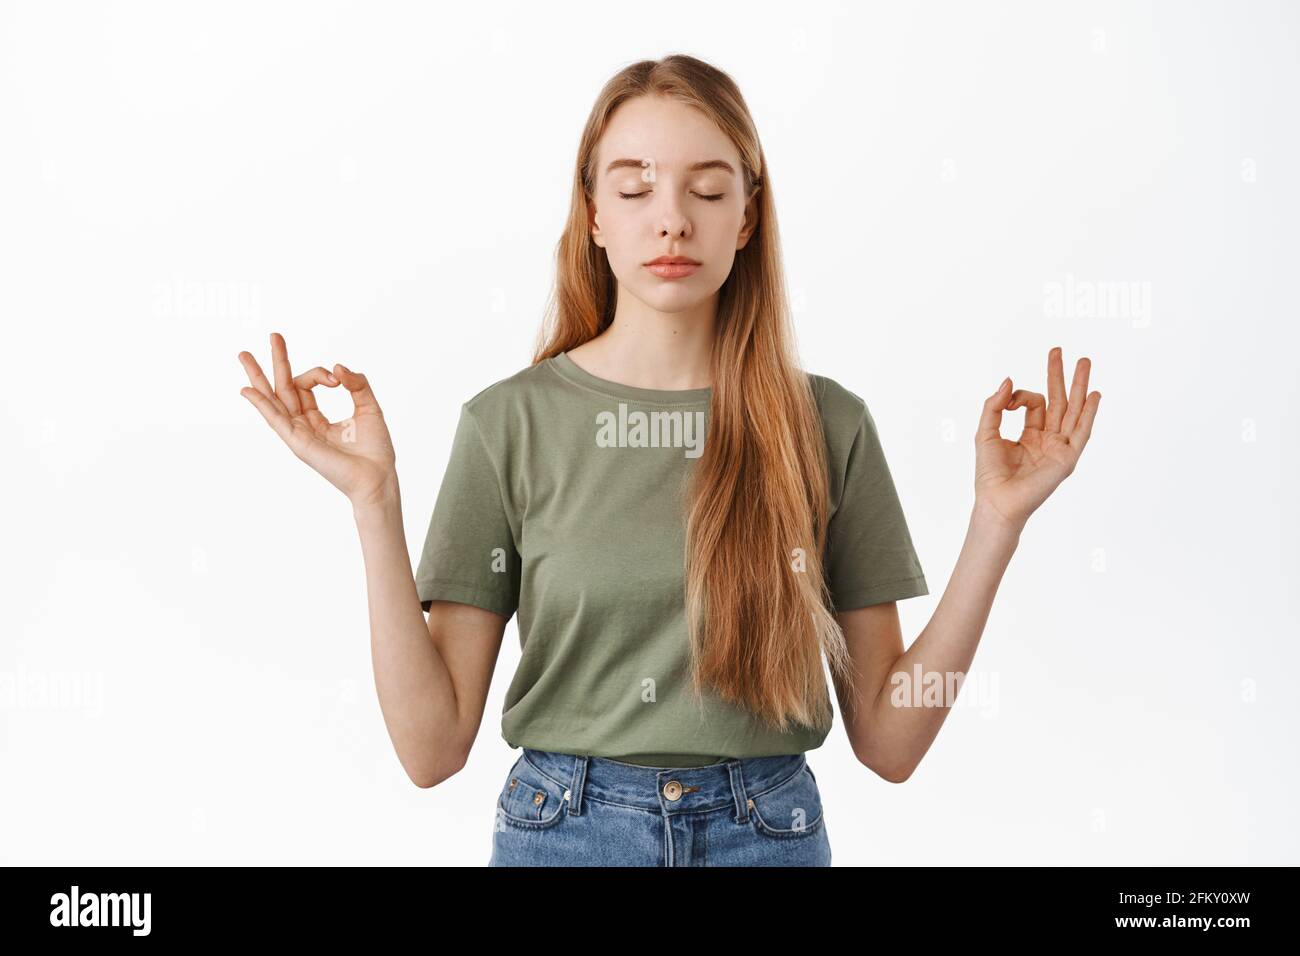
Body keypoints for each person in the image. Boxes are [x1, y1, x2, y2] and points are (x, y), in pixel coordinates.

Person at [236, 54, 1101, 867]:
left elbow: (891, 739)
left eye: (708, 188)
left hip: (769, 833)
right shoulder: (508, 425)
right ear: (596, 215)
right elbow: (430, 751)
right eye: (636, 186)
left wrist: (996, 524)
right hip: (562, 834)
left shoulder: (827, 424)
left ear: (748, 215)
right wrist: (373, 500)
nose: (673, 218)